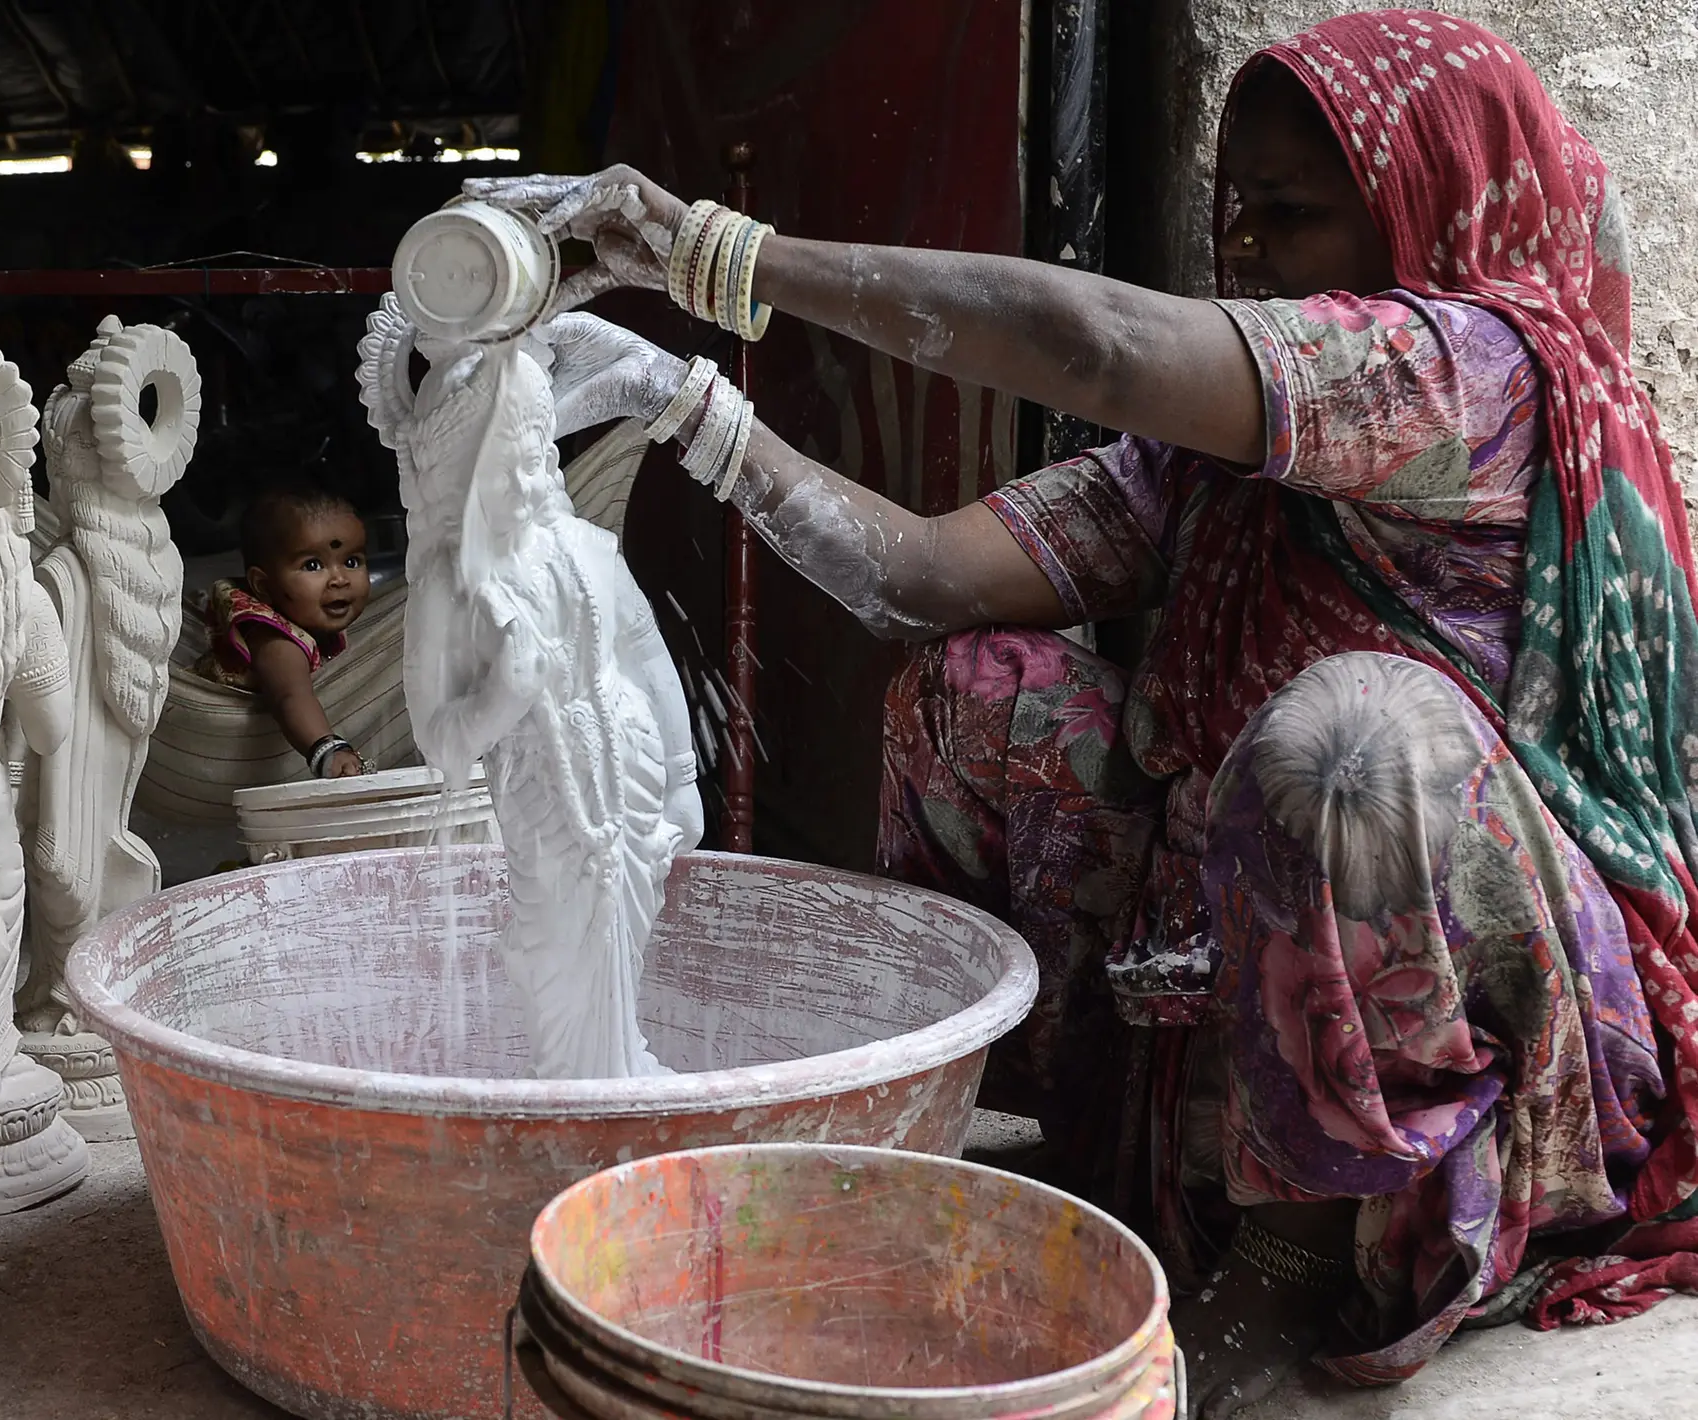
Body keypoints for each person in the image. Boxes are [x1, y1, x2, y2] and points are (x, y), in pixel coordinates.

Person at [471, 11, 1698, 1415]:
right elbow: (921, 578)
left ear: (1424, 208)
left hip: (1489, 1008)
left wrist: (705, 253)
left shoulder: (1469, 374)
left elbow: (1102, 345)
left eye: (1288, 216)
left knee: (1351, 741)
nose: (1239, 251)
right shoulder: (1212, 471)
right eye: (1232, 212)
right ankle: (1103, 1142)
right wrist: (688, 411)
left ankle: (1297, 1251)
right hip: (1258, 963)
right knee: (974, 693)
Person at [199, 483, 375, 778]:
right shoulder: (277, 641)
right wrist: (327, 749)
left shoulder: (309, 621)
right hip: (216, 742)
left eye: (351, 561)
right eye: (313, 565)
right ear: (265, 586)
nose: (339, 579)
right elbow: (291, 696)